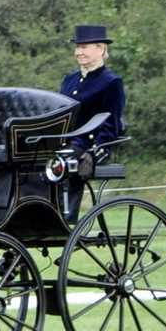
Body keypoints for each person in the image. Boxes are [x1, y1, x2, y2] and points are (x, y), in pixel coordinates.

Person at [59, 24, 126, 220]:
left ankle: (65, 218)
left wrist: (94, 153)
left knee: (60, 160)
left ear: (101, 49)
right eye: (77, 47)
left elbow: (110, 123)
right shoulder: (70, 79)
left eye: (84, 47)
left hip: (86, 145)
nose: (79, 52)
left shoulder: (111, 82)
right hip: (65, 142)